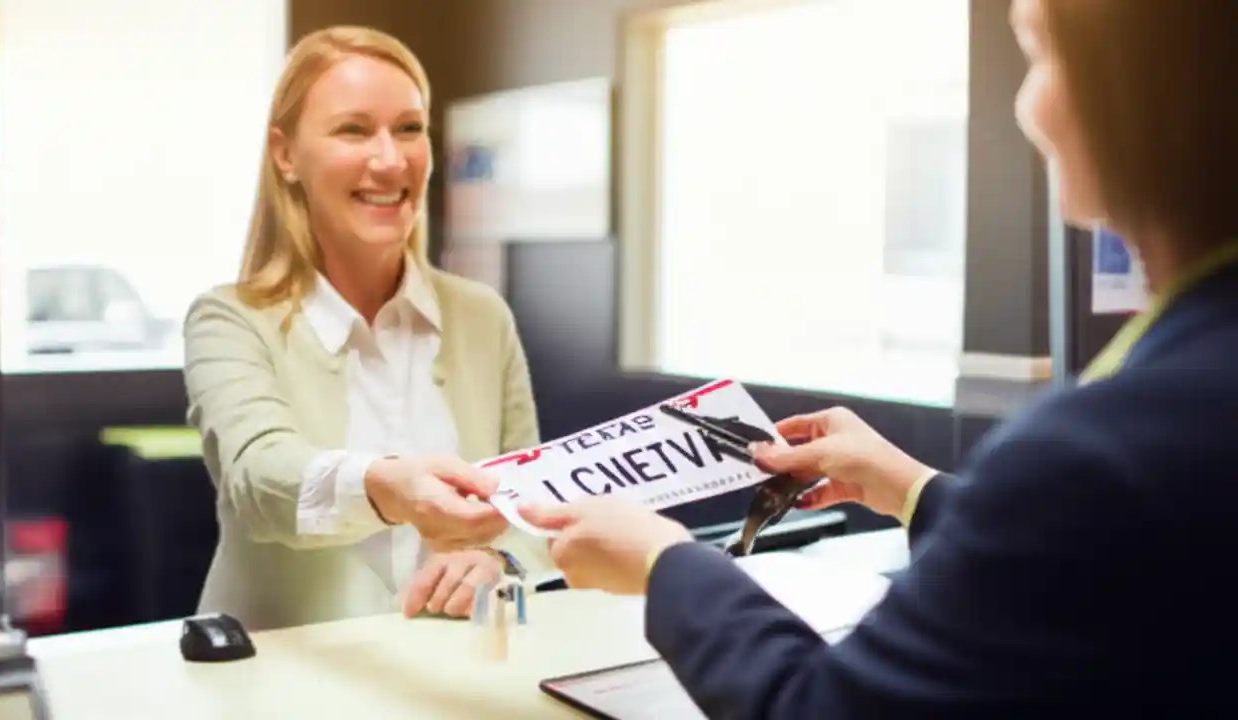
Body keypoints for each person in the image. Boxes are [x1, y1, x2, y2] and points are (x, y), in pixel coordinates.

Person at [520, 0, 1238, 714]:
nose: (1025, 106)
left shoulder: (1102, 449)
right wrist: (908, 486)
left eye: (1042, 52)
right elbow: (1092, 557)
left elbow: (821, 707)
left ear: (1148, 83)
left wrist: (665, 564)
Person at [183, 26, 539, 631]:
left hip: (453, 678)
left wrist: (496, 559)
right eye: (354, 129)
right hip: (275, 687)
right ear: (285, 154)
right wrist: (387, 487)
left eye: (408, 128)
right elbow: (259, 482)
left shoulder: (483, 316)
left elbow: (531, 508)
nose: (390, 159)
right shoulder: (228, 320)